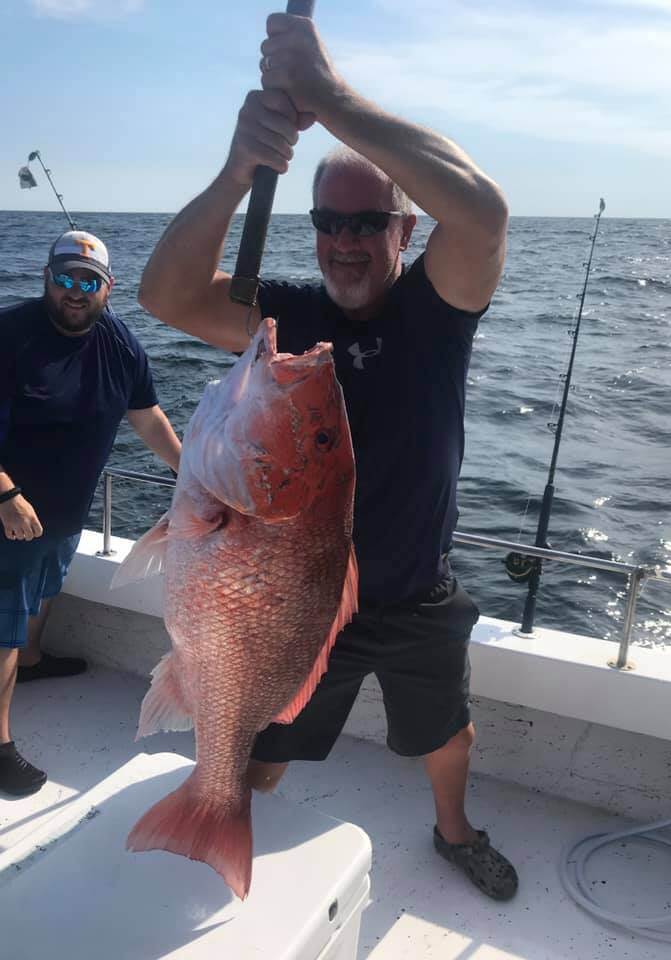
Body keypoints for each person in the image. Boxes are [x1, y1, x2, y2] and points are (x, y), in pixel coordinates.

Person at [137, 13, 517, 900]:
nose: (345, 240)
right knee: (266, 737)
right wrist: (240, 170)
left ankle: (454, 833)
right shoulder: (289, 318)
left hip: (416, 587)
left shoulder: (438, 306)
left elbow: (486, 213)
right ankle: (228, 821)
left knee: (445, 732)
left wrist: (328, 98)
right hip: (304, 606)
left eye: (367, 221)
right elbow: (163, 293)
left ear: (405, 229)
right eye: (327, 220)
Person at [0, 229, 182, 797]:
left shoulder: (120, 343)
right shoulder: (9, 334)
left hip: (61, 513)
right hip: (7, 512)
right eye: (64, 278)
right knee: (3, 623)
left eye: (88, 281)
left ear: (108, 288)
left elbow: (147, 416)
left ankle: (31, 661)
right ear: (45, 277)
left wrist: (193, 474)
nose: (74, 292)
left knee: (47, 587)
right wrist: (4, 494)